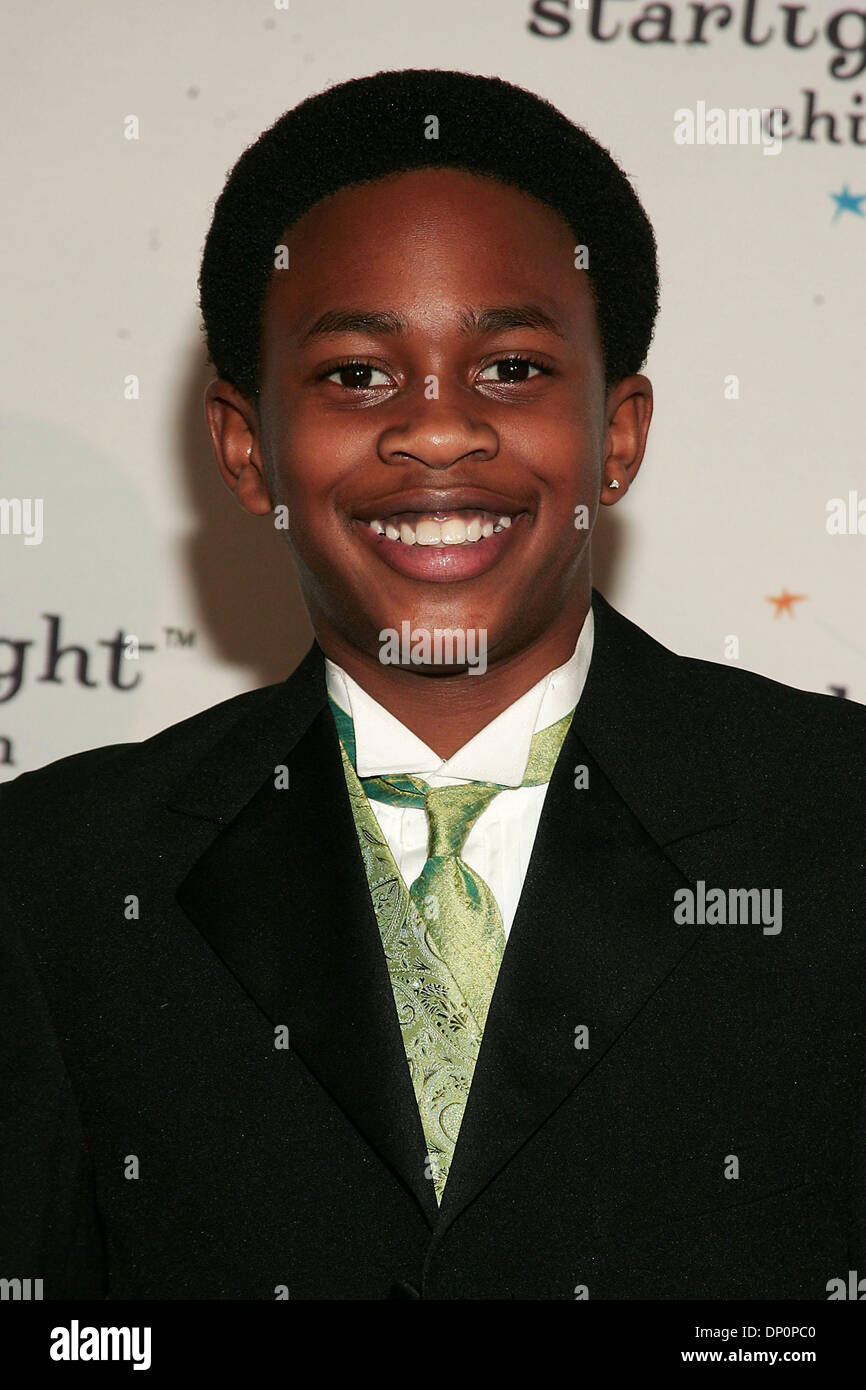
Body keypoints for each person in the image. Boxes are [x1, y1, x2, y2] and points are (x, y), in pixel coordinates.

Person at [1, 68, 863, 1301]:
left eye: (509, 368)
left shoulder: (835, 828)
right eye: (357, 373)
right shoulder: (57, 880)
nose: (439, 428)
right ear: (247, 451)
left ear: (616, 436)